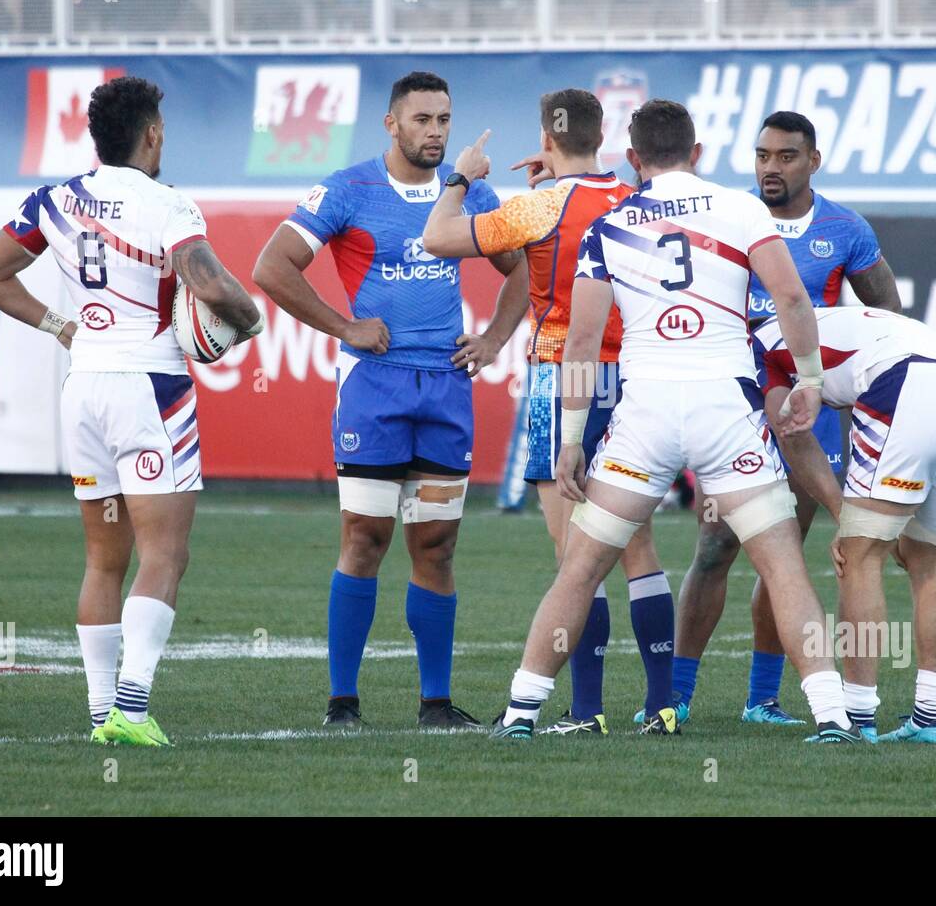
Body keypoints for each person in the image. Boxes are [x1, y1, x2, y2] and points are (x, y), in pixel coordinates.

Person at [488, 99, 859, 744]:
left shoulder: (610, 224)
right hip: (726, 411)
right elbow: (794, 296)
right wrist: (809, 381)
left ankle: (522, 711)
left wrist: (571, 440)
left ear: (633, 160)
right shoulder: (743, 209)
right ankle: (832, 716)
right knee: (782, 567)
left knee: (580, 568)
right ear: (697, 154)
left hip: (646, 417)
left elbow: (579, 346)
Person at [0, 76, 263, 746]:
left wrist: (61, 326)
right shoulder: (168, 204)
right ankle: (132, 709)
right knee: (165, 554)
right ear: (153, 133)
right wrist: (250, 322)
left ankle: (102, 716)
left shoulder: (55, 199)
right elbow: (208, 280)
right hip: (150, 387)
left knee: (104, 559)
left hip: (86, 386)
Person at [253, 71, 528, 732]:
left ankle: (436, 703)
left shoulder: (470, 193)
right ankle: (342, 702)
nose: (435, 132)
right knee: (366, 537)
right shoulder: (350, 188)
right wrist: (345, 328)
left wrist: (493, 338)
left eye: (444, 119)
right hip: (374, 388)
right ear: (391, 124)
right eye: (422, 119)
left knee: (435, 545)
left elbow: (522, 273)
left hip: (444, 389)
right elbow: (271, 266)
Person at [423, 89, 675, 736]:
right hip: (639, 378)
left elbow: (438, 236)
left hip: (561, 377)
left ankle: (586, 711)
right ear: (603, 138)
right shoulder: (634, 199)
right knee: (638, 546)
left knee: (576, 556)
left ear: (545, 136)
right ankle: (663, 706)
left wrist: (462, 177)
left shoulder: (538, 206)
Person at [663, 111, 902, 729]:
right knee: (714, 549)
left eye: (786, 156)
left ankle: (761, 700)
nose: (771, 167)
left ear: (812, 162)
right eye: (763, 155)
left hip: (803, 416)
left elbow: (888, 315)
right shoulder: (728, 215)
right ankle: (676, 696)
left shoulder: (844, 230)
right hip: (733, 410)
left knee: (783, 554)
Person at [757, 306, 936, 742]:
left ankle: (858, 716)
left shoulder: (757, 346)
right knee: (932, 564)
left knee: (859, 557)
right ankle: (928, 720)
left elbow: (790, 429)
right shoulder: (833, 316)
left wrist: (839, 511)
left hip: (909, 387)